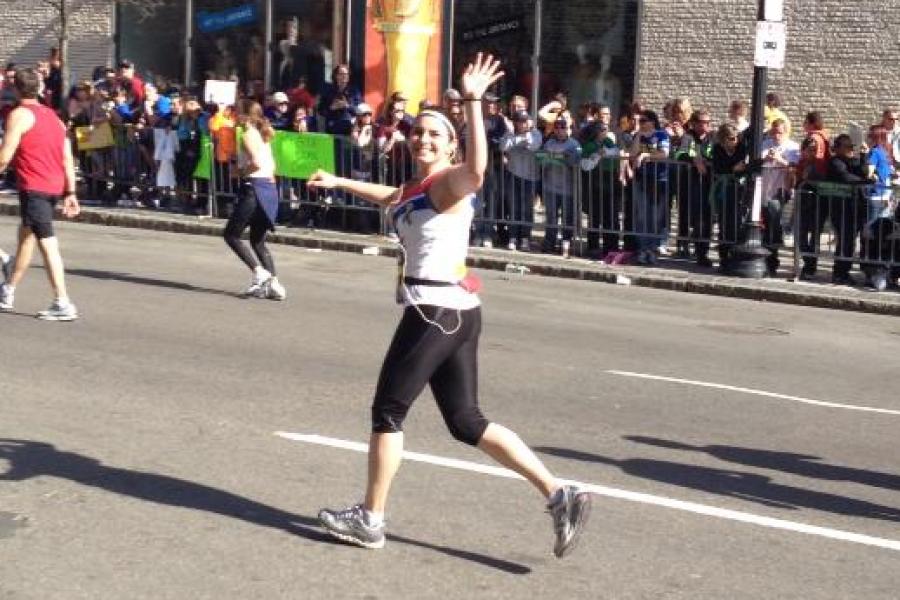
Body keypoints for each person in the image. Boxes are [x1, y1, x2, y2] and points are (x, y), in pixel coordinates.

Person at [308, 54, 591, 557]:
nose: (424, 139)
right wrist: (339, 181)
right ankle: (559, 492)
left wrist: (474, 102)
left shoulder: (449, 183)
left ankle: (370, 519)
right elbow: (391, 196)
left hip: (433, 311)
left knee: (387, 411)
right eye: (419, 132)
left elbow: (479, 171)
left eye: (436, 135)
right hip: (456, 311)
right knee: (466, 422)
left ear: (452, 145)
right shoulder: (419, 187)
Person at [0, 68, 80, 320]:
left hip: (35, 186)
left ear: (15, 89)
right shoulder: (53, 117)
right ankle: (8, 290)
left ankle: (62, 301)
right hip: (52, 185)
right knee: (26, 237)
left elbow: (5, 155)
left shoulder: (19, 115)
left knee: (47, 243)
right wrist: (71, 191)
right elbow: (67, 156)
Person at [222, 100, 286, 301]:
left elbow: (256, 163)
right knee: (257, 240)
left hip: (254, 189)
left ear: (246, 116)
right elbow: (272, 166)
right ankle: (274, 284)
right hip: (268, 189)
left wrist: (240, 171)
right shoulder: (263, 135)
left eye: (237, 113)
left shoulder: (248, 135)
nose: (234, 116)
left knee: (231, 235)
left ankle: (260, 273)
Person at [759, 118, 799, 276]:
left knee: (773, 220)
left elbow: (794, 167)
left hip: (780, 190)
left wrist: (780, 160)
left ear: (786, 132)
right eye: (774, 132)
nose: (776, 135)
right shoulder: (764, 144)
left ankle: (772, 260)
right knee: (765, 224)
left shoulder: (793, 147)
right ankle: (766, 256)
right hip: (763, 190)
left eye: (780, 132)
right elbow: (755, 161)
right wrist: (765, 159)